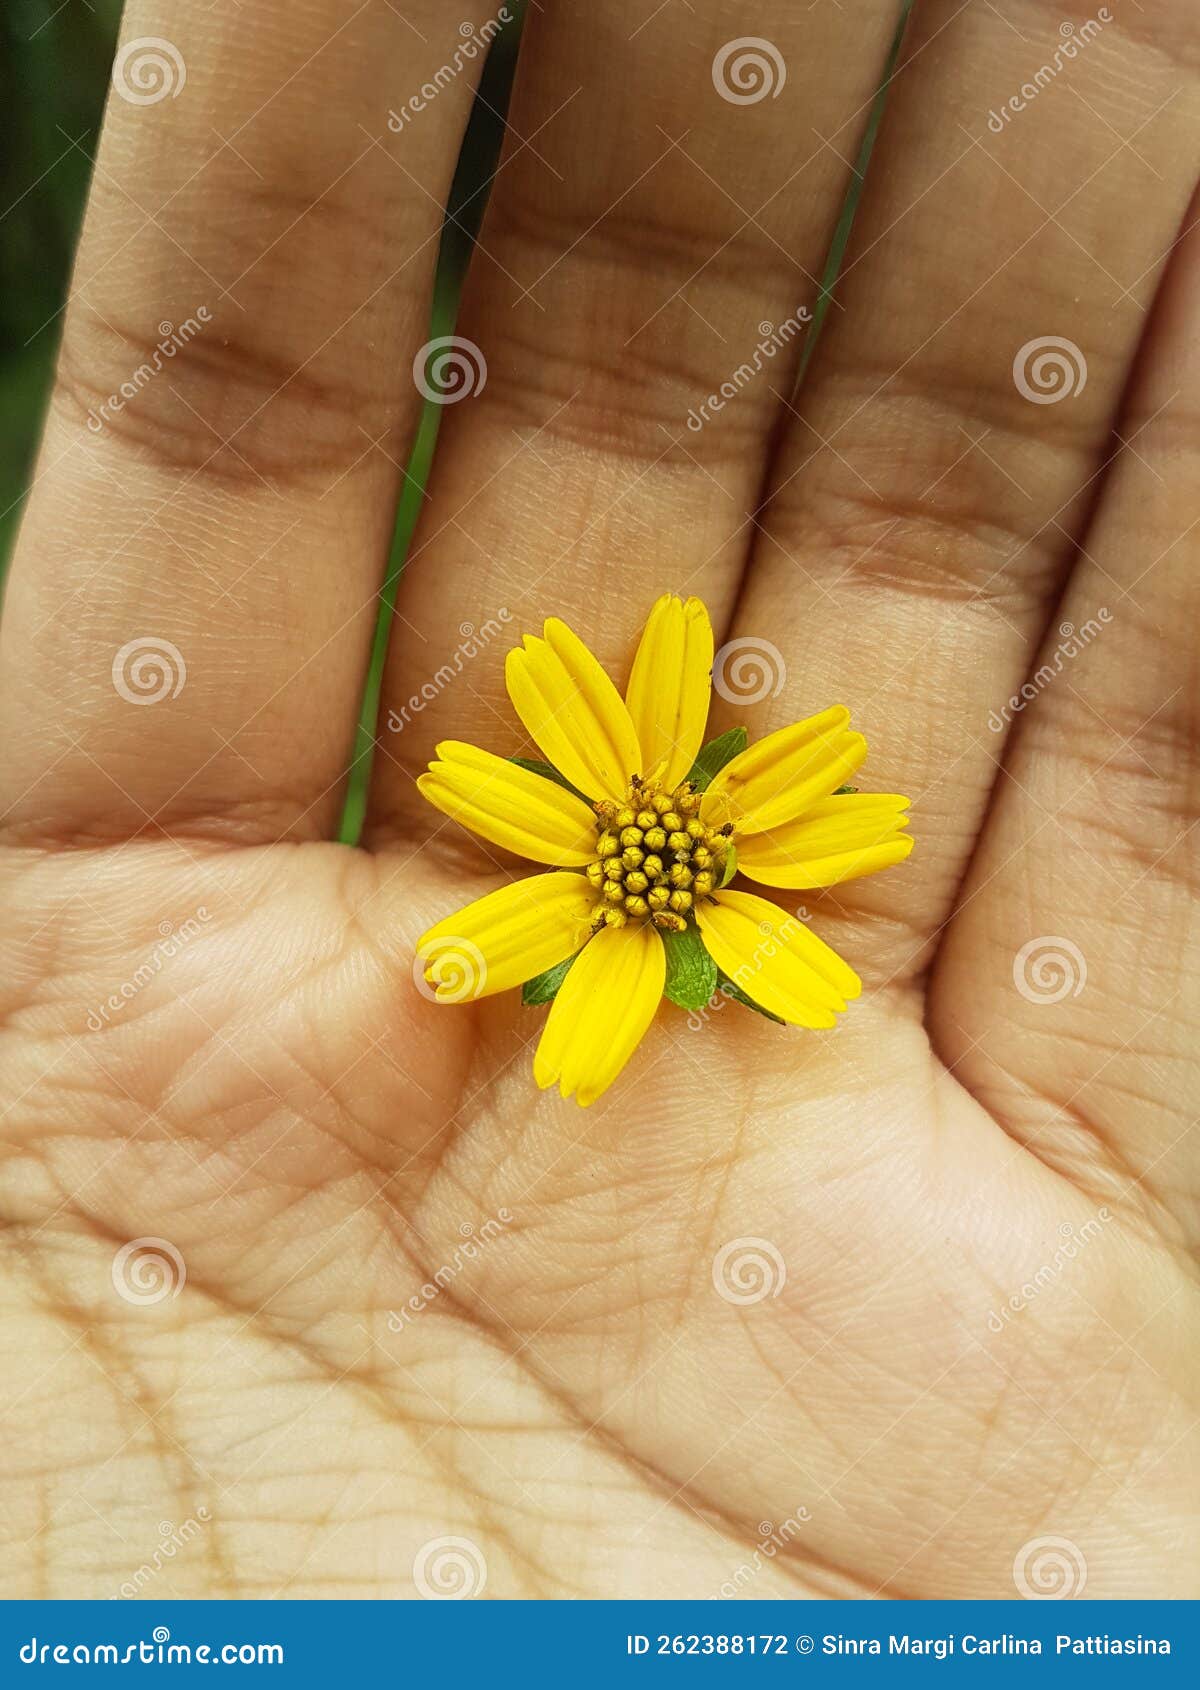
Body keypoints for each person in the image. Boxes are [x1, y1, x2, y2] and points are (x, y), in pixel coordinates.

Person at [0, 0, 1196, 1599]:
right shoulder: (602, 878)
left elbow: (751, 907)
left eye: (673, 846)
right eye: (667, 844)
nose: (663, 852)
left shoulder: (694, 895)